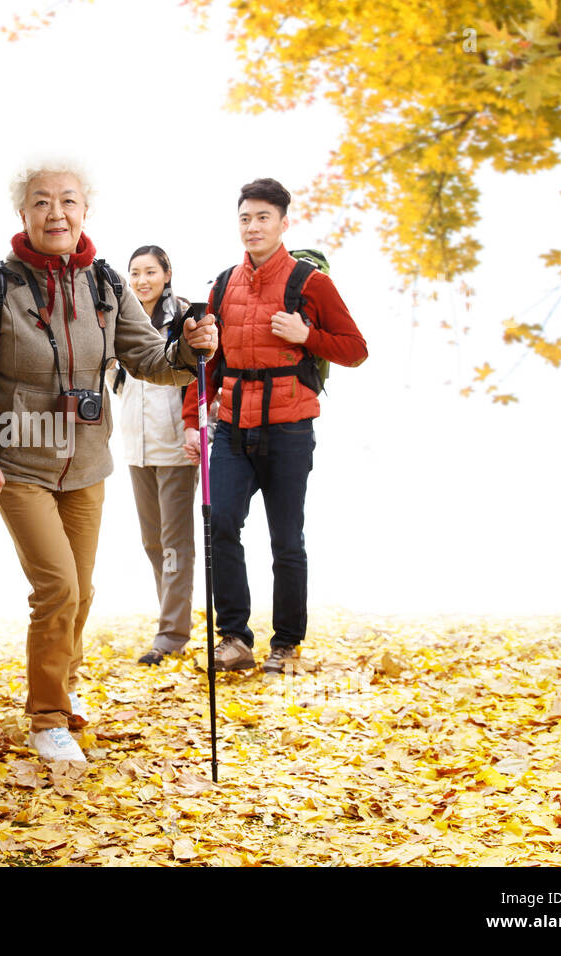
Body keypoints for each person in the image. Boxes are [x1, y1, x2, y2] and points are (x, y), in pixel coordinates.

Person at [0, 163, 217, 765]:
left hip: (87, 464)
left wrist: (188, 351)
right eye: (42, 202)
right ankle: (46, 717)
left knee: (81, 590)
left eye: (68, 200)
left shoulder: (106, 284)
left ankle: (58, 691)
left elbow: (148, 356)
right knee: (58, 586)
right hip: (18, 462)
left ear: (85, 210)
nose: (56, 213)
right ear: (23, 215)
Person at [182, 177, 367, 674]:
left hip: (289, 429)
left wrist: (307, 334)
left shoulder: (311, 283)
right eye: (245, 218)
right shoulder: (222, 284)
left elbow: (355, 349)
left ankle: (285, 644)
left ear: (284, 223)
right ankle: (235, 638)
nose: (253, 227)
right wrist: (190, 420)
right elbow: (205, 362)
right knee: (220, 524)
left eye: (263, 217)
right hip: (233, 430)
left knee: (287, 538)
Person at [108, 246, 198, 665]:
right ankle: (172, 623)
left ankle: (171, 634)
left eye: (150, 272)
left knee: (174, 542)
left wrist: (198, 428)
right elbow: (113, 374)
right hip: (135, 445)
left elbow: (200, 375)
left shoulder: (181, 318)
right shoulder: (119, 320)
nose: (142, 280)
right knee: (152, 541)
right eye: (135, 273)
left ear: (167, 273)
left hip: (176, 444)